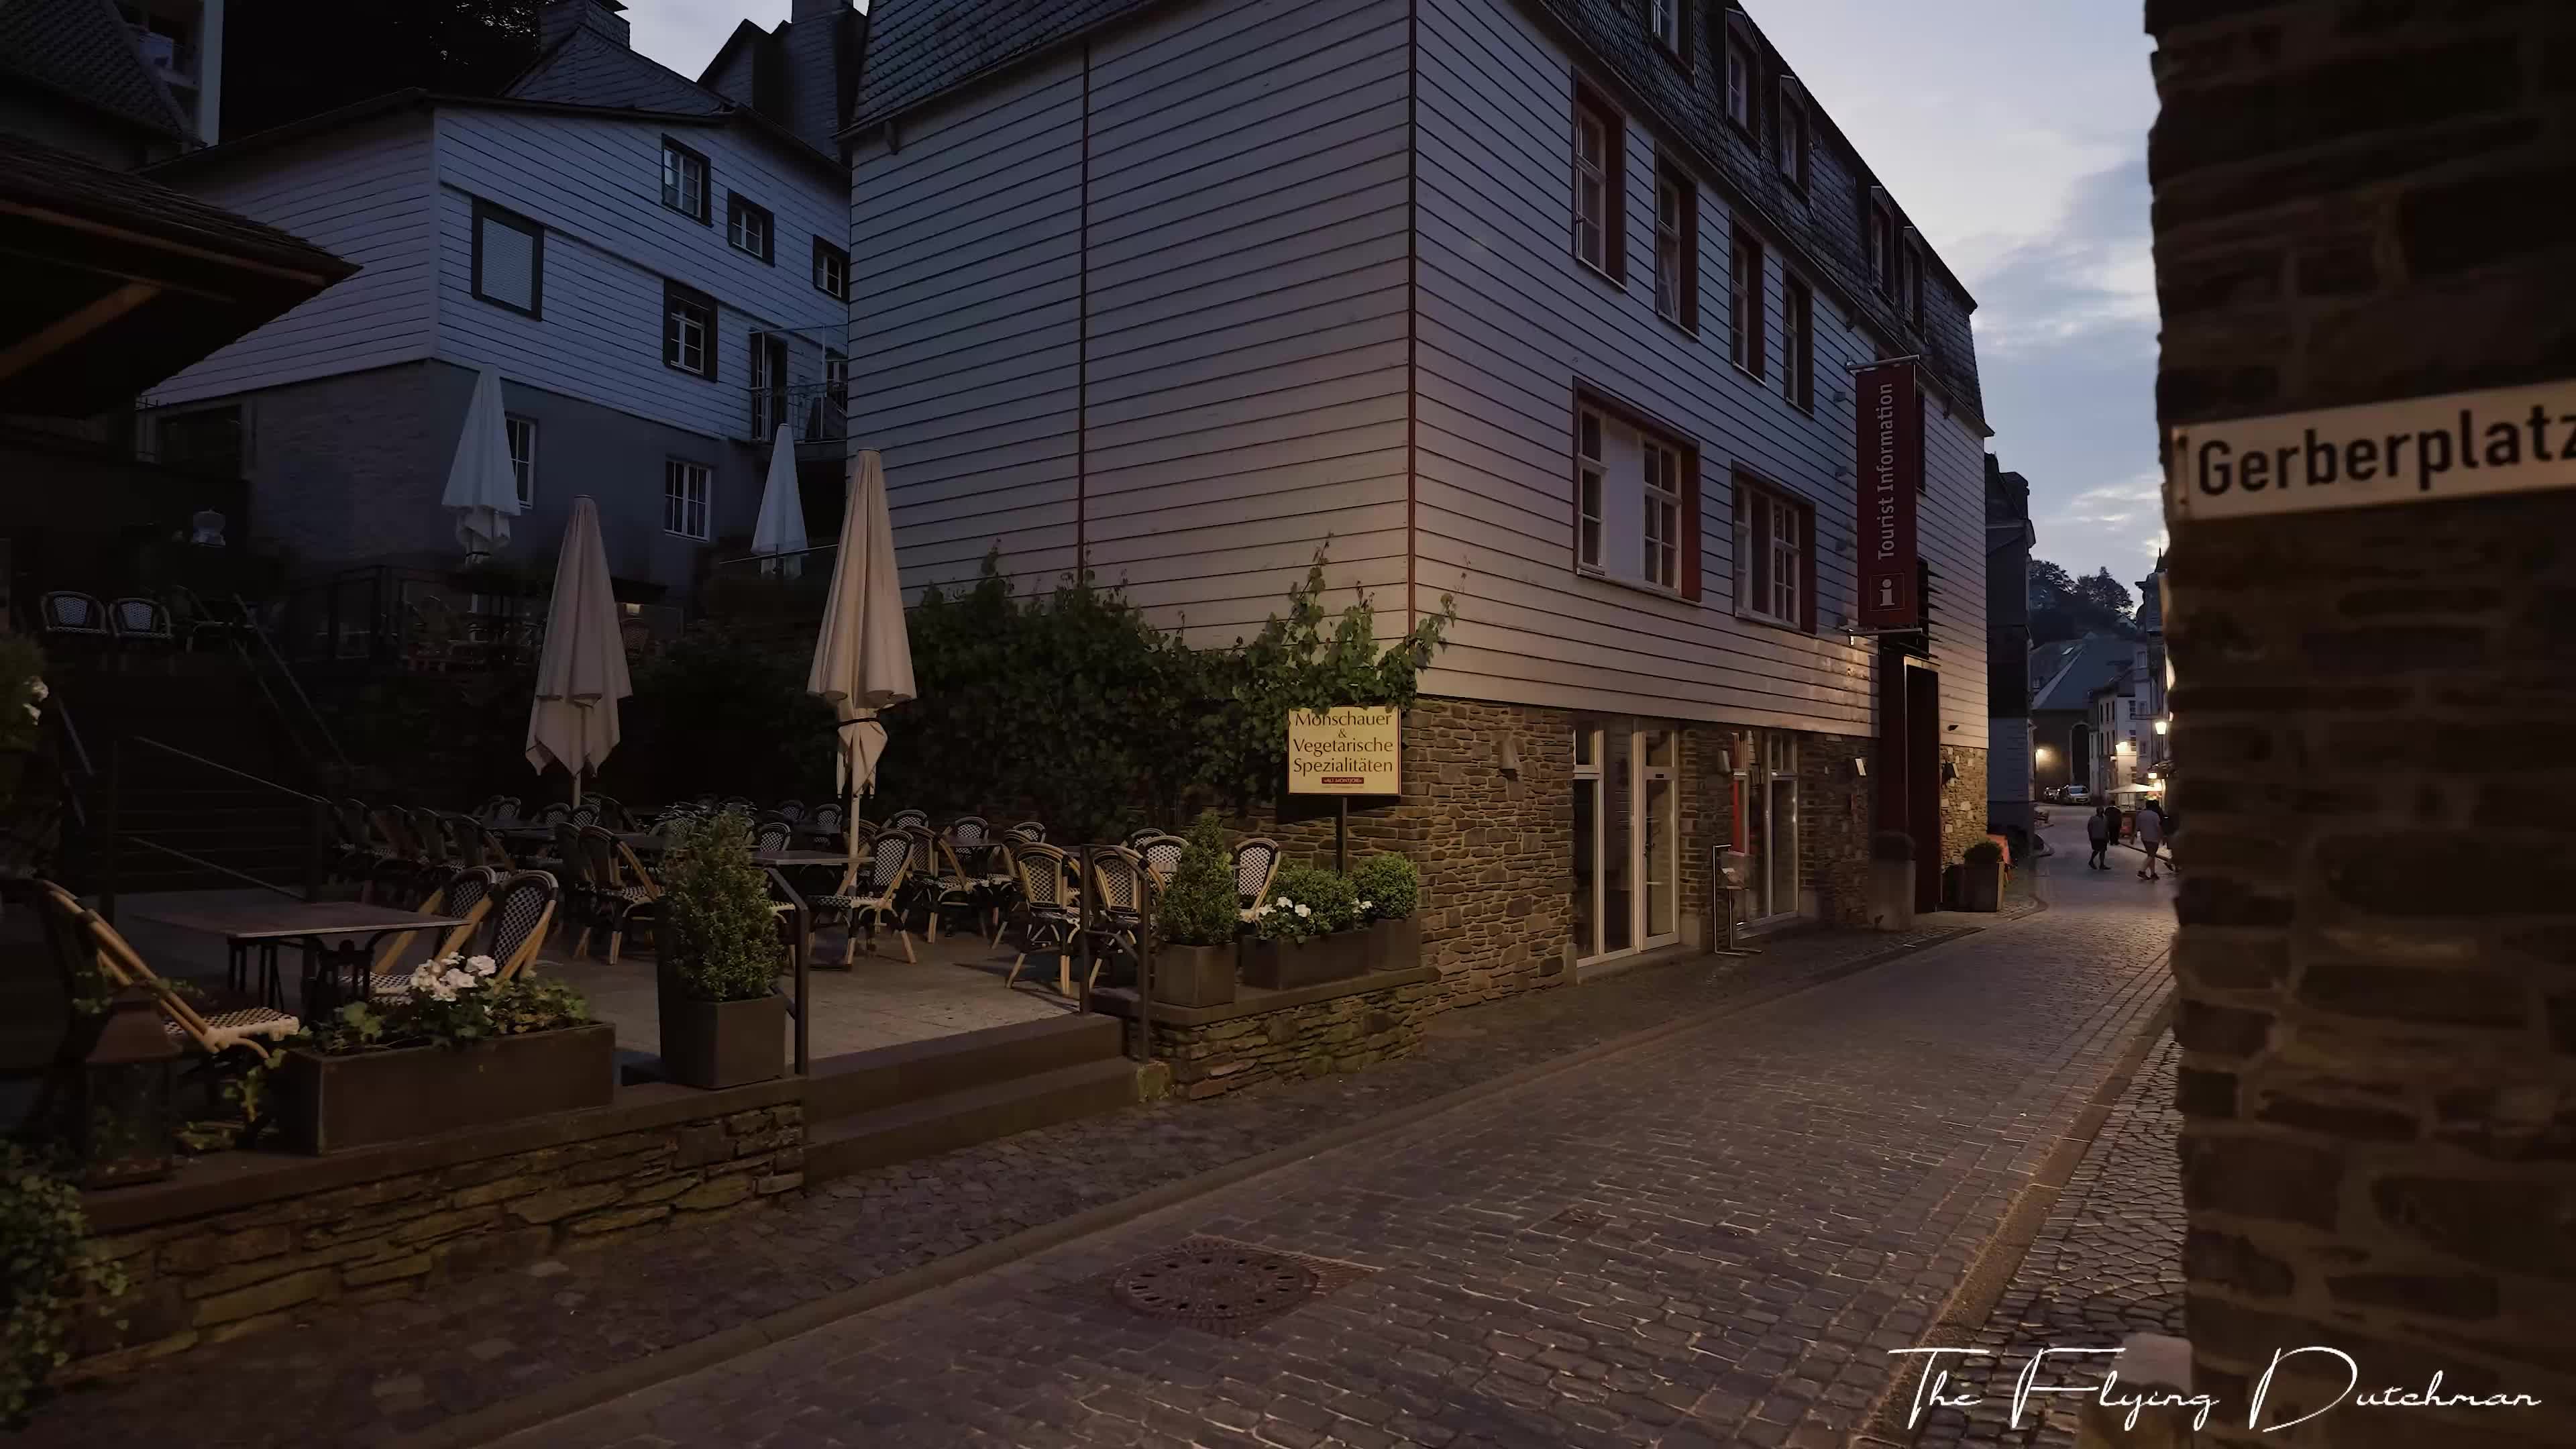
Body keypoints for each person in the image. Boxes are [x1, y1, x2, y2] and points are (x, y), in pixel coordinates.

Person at [2136, 799, 2165, 881]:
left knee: (2151, 855)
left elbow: (2137, 826)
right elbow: (2158, 827)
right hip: (2154, 837)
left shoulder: (2141, 814)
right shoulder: (2155, 815)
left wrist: (2132, 836)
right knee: (2151, 855)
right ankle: (2142, 871)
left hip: (2144, 837)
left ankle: (2153, 873)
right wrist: (2163, 837)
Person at [2086, 804, 2113, 871]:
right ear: (2097, 811)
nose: (2101, 811)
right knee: (2097, 850)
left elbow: (2107, 828)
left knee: (2103, 851)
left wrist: (2108, 837)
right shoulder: (2093, 818)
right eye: (2100, 810)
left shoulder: (2105, 818)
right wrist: (2090, 836)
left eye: (2102, 810)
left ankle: (2102, 864)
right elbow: (2089, 828)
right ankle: (2091, 861)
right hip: (2096, 837)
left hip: (2103, 837)